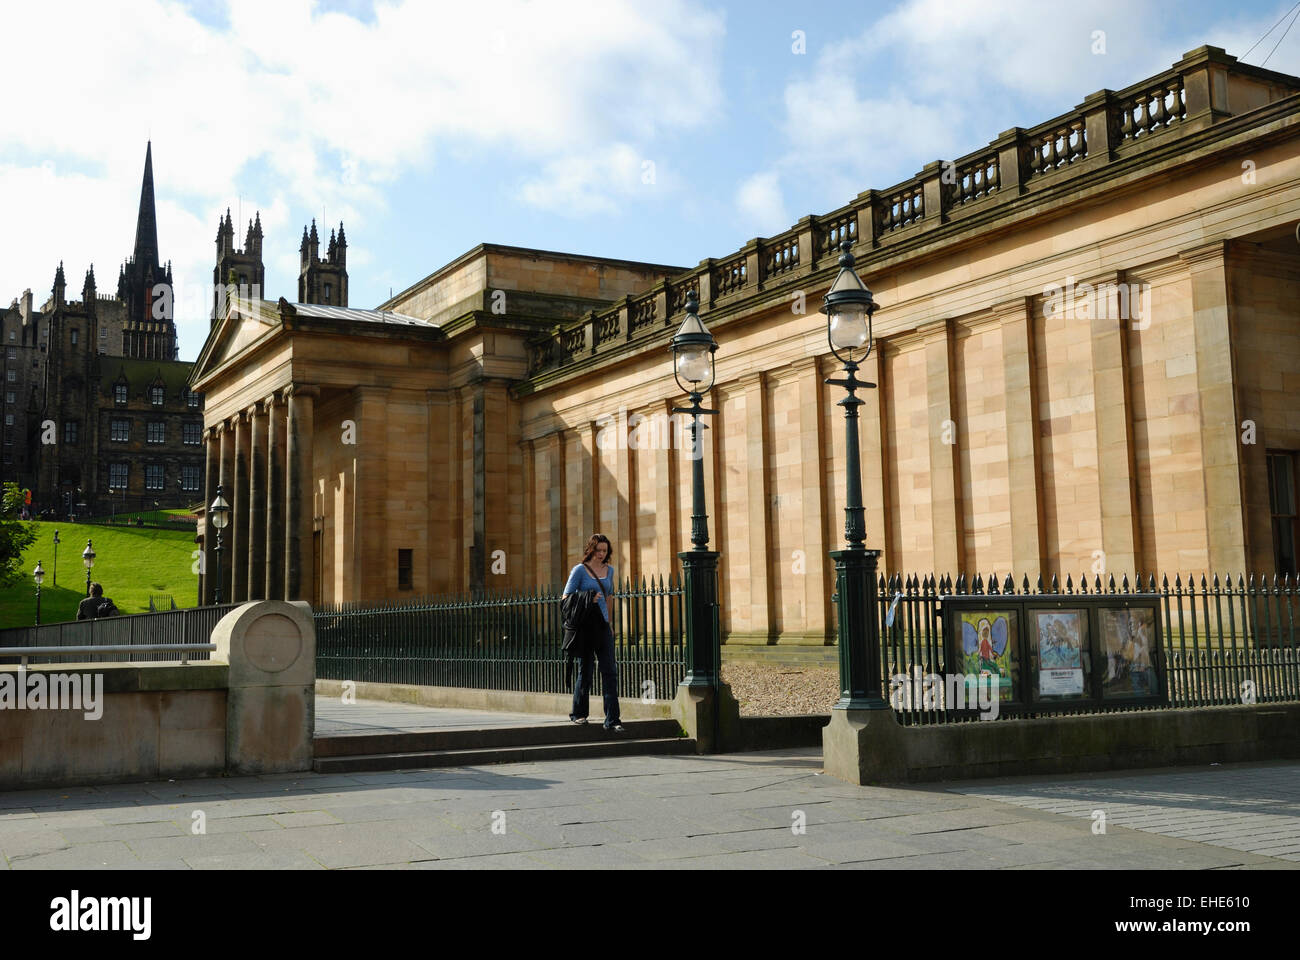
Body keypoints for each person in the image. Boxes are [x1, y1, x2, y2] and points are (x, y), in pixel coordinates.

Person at [562, 534, 624, 732]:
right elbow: (565, 598)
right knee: (586, 671)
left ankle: (613, 720)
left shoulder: (610, 570)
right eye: (598, 550)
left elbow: (609, 596)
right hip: (585, 627)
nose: (601, 554)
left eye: (605, 551)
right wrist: (588, 597)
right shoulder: (579, 571)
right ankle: (579, 714)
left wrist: (610, 623)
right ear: (591, 549)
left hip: (602, 626)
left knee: (610, 671)